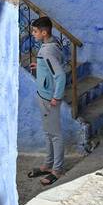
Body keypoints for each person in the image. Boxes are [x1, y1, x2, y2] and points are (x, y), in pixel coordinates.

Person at [28, 17, 67, 186]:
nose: (33, 33)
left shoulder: (46, 51)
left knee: (55, 135)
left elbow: (60, 75)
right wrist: (40, 66)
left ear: (44, 32)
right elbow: (55, 64)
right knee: (47, 132)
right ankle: (48, 164)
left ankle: (57, 170)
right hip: (44, 94)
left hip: (49, 98)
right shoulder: (52, 45)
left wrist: (56, 97)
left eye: (35, 31)